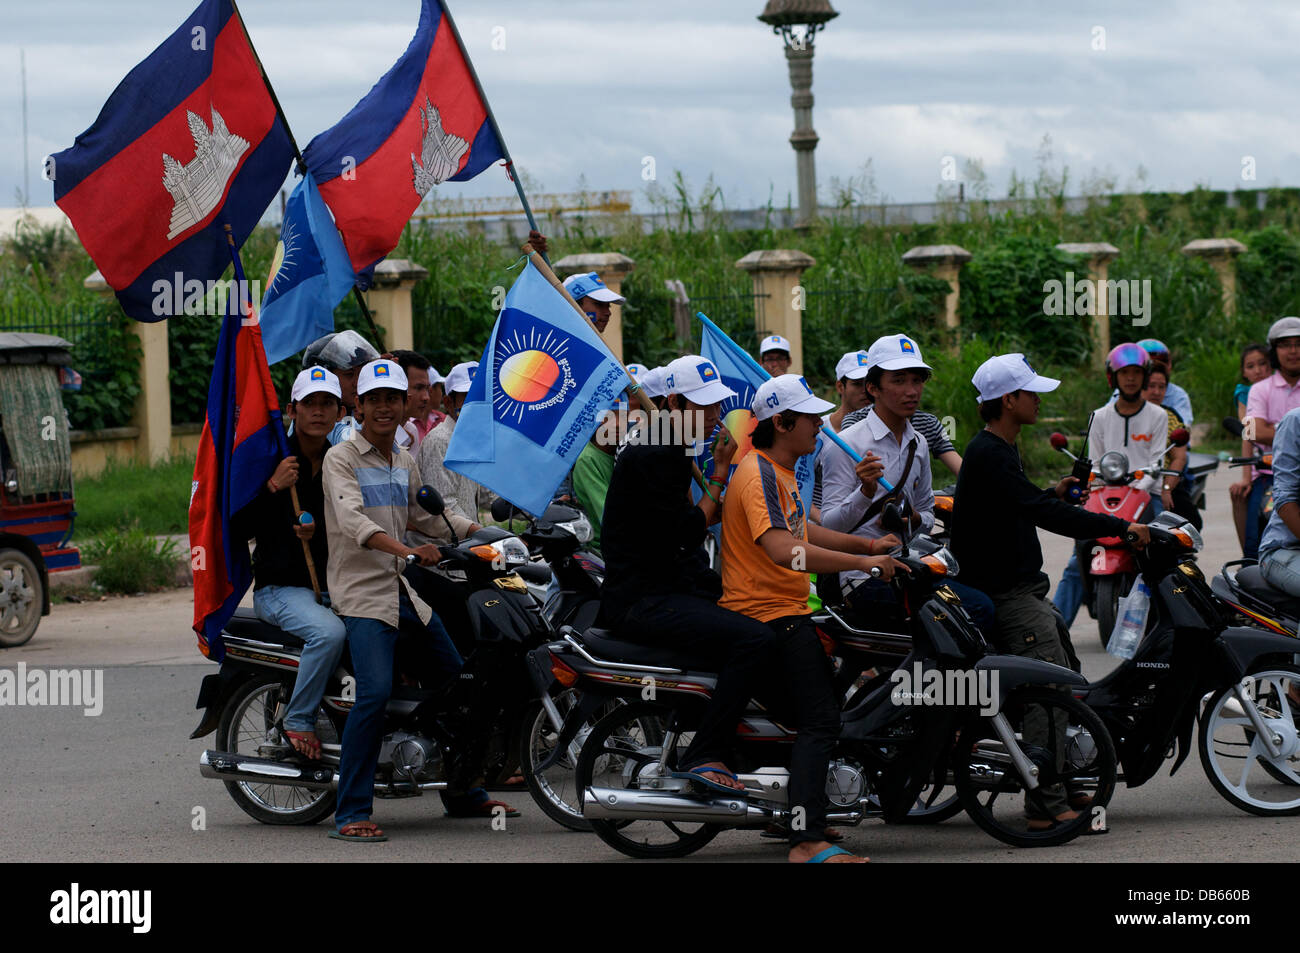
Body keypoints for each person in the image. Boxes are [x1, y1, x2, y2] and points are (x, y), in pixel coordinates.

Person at [950, 353, 1149, 829]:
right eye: (1031, 393)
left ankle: (1062, 775)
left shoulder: (999, 449)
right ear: (1008, 400)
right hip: (1008, 595)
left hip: (1023, 589)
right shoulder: (990, 453)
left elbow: (1024, 503)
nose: (1038, 401)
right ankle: (1043, 801)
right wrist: (1120, 528)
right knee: (1049, 687)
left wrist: (1051, 493)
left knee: (1069, 675)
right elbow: (1047, 516)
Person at [323, 358, 512, 842]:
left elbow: (428, 516)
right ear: (359, 406)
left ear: (404, 403)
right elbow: (354, 524)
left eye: (393, 398)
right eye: (375, 400)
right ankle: (350, 812)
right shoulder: (340, 459)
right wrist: (407, 550)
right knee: (374, 694)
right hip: (362, 594)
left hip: (401, 589)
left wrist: (478, 533)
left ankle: (463, 791)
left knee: (457, 682)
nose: (384, 408)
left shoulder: (403, 461)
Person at [719, 374, 904, 863]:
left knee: (816, 714)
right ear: (781, 423)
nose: (820, 427)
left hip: (787, 611)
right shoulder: (757, 474)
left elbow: (812, 532)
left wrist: (870, 545)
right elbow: (785, 551)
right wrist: (863, 564)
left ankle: (797, 816)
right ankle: (806, 840)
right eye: (811, 419)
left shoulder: (779, 471)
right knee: (820, 721)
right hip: (771, 615)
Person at [599, 354, 776, 797]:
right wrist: (718, 477)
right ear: (674, 402)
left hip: (667, 585)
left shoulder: (668, 444)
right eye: (703, 406)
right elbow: (685, 533)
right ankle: (705, 752)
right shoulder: (659, 451)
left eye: (717, 406)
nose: (714, 416)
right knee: (753, 640)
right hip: (645, 598)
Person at [818, 333, 994, 633]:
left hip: (908, 568)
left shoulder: (919, 443)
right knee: (936, 624)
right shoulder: (846, 444)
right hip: (862, 575)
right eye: (899, 381)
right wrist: (865, 492)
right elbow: (829, 527)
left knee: (981, 608)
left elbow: (926, 516)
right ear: (873, 387)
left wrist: (912, 517)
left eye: (917, 380)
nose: (911, 391)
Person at [238, 367, 346, 760]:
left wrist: (319, 530)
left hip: (332, 586)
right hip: (279, 589)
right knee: (330, 634)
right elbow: (237, 525)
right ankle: (297, 718)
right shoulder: (270, 458)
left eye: (326, 404)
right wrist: (272, 488)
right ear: (291, 410)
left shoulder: (341, 461)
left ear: (340, 410)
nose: (318, 412)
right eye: (310, 404)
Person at [1052, 343, 1167, 627]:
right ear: (1112, 377)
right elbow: (1093, 461)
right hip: (1105, 493)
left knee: (1163, 557)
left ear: (1145, 375)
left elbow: (1156, 463)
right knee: (1078, 558)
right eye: (1124, 372)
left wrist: (1142, 484)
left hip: (1144, 495)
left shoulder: (1158, 416)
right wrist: (1096, 481)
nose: (1130, 378)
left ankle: (1167, 622)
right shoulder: (1099, 417)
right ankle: (1054, 628)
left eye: (1136, 373)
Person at [1241, 317, 1300, 559]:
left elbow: (1262, 430)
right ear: (1275, 351)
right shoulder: (1260, 389)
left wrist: (1271, 429)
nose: (1293, 351)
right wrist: (1290, 433)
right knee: (1254, 537)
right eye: (1285, 345)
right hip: (1267, 475)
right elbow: (1252, 431)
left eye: (1299, 344)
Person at [416, 360, 496, 523]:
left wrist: (535, 509)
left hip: (467, 543)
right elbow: (445, 508)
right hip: (446, 546)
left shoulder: (470, 439)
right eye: (468, 398)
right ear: (448, 403)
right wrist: (482, 537)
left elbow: (488, 495)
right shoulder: (440, 441)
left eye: (481, 397)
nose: (476, 405)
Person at [300, 329, 380, 445]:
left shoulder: (350, 412)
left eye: (361, 374)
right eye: (349, 374)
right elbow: (356, 444)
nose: (357, 382)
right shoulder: (318, 417)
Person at [1143, 365, 1199, 529]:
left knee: (1165, 532)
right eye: (1151, 386)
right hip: (1124, 484)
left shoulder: (1171, 418)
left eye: (1161, 387)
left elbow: (1179, 457)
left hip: (1158, 486)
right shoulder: (1120, 414)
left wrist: (1166, 489)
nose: (1156, 392)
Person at [1232, 343, 1271, 548]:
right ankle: (1248, 558)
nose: (1258, 370)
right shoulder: (1245, 392)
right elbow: (1247, 430)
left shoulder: (1278, 388)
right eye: (1251, 366)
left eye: (1263, 364)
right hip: (1260, 463)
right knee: (1241, 495)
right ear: (1244, 372)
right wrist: (1246, 477)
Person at [387, 349, 439, 451]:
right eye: (418, 388)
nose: (426, 397)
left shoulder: (411, 430)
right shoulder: (364, 432)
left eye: (427, 388)